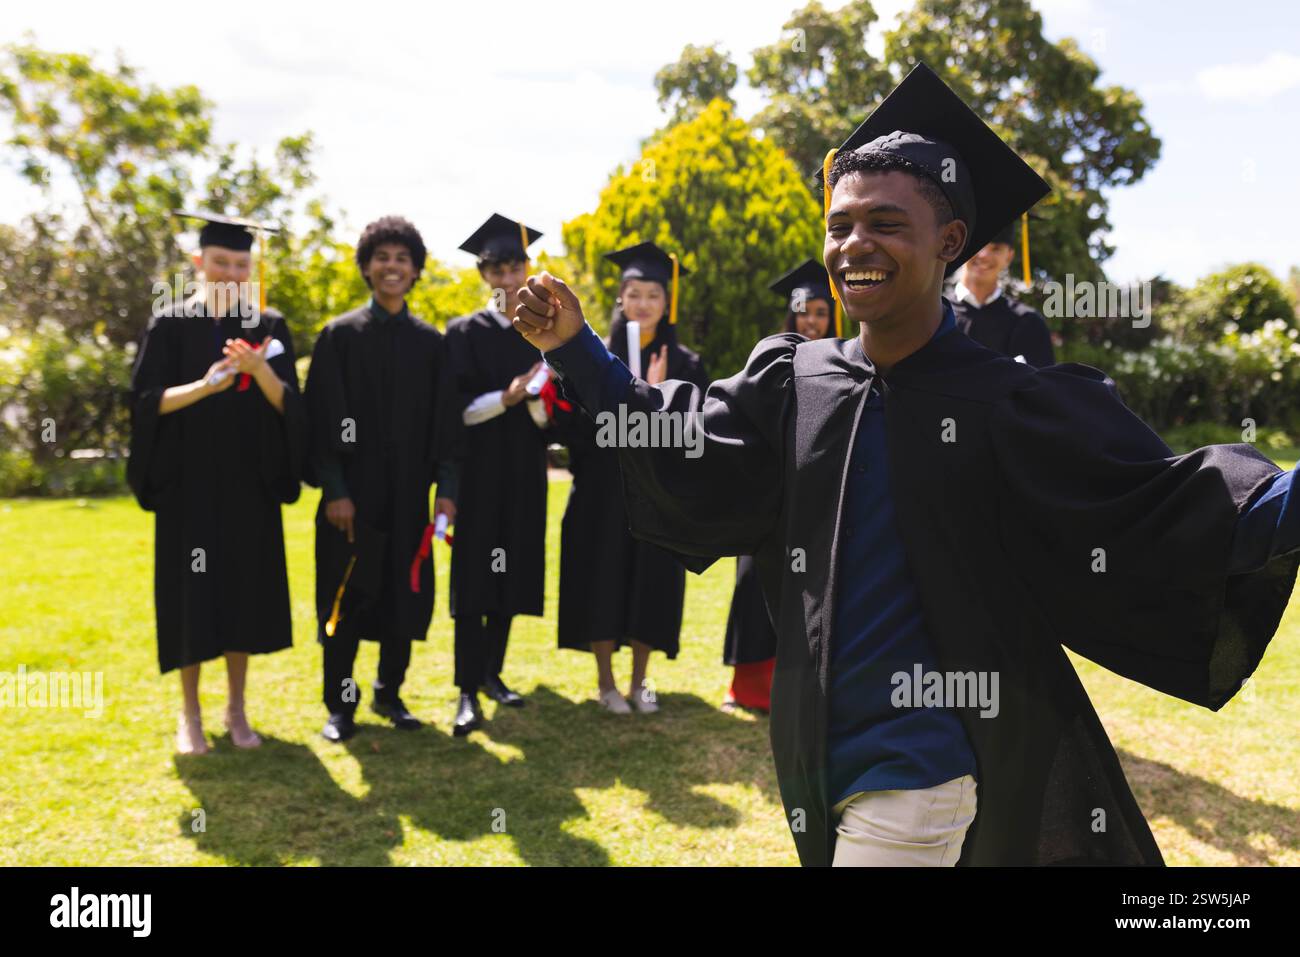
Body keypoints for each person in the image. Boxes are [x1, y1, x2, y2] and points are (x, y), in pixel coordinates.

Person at [511, 63, 1300, 867]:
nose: (855, 244)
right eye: (840, 224)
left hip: (919, 768)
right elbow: (675, 433)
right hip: (818, 756)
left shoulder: (1008, 402)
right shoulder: (798, 382)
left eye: (885, 223)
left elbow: (1166, 504)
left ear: (949, 240)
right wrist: (574, 347)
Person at [128, 210, 305, 755]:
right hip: (189, 488)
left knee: (241, 597)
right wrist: (206, 387)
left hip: (247, 488)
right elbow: (144, 402)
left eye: (241, 264)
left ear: (251, 268)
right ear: (199, 263)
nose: (231, 272)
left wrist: (260, 372)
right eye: (221, 262)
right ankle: (190, 714)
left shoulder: (268, 327)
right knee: (191, 599)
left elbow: (294, 409)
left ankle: (237, 708)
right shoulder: (170, 324)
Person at [303, 215, 459, 743]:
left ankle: (389, 694)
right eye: (382, 258)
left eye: (402, 259)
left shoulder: (430, 345)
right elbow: (321, 419)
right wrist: (336, 490)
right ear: (367, 267)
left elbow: (445, 427)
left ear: (415, 271)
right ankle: (340, 706)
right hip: (354, 500)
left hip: (410, 497)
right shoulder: (340, 337)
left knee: (402, 599)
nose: (392, 267)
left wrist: (447, 494)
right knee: (346, 602)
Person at [551, 242, 709, 714]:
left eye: (653, 295)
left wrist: (659, 396)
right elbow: (574, 425)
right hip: (602, 490)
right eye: (633, 293)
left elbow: (695, 434)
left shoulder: (686, 365)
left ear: (667, 303)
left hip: (656, 494)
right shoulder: (595, 357)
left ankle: (641, 681)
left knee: (651, 581)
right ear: (621, 298)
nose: (642, 303)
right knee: (601, 576)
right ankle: (606, 683)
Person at [443, 214, 550, 736]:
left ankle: (493, 674)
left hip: (526, 471)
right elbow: (454, 410)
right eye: (497, 269)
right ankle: (465, 689)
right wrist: (507, 398)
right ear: (484, 274)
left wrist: (534, 403)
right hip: (479, 474)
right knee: (474, 581)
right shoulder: (464, 333)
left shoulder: (545, 331)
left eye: (516, 266)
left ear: (527, 268)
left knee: (509, 577)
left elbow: (558, 415)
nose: (508, 278)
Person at [722, 260, 836, 715]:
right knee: (755, 584)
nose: (811, 320)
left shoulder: (846, 357)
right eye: (803, 311)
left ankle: (805, 691)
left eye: (820, 312)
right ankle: (748, 688)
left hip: (820, 495)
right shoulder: (771, 358)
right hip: (768, 493)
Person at [949, 224, 1054, 366]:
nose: (984, 255)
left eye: (996, 248)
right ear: (962, 246)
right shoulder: (934, 314)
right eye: (978, 245)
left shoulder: (1029, 323)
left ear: (1009, 256)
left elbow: (1042, 386)